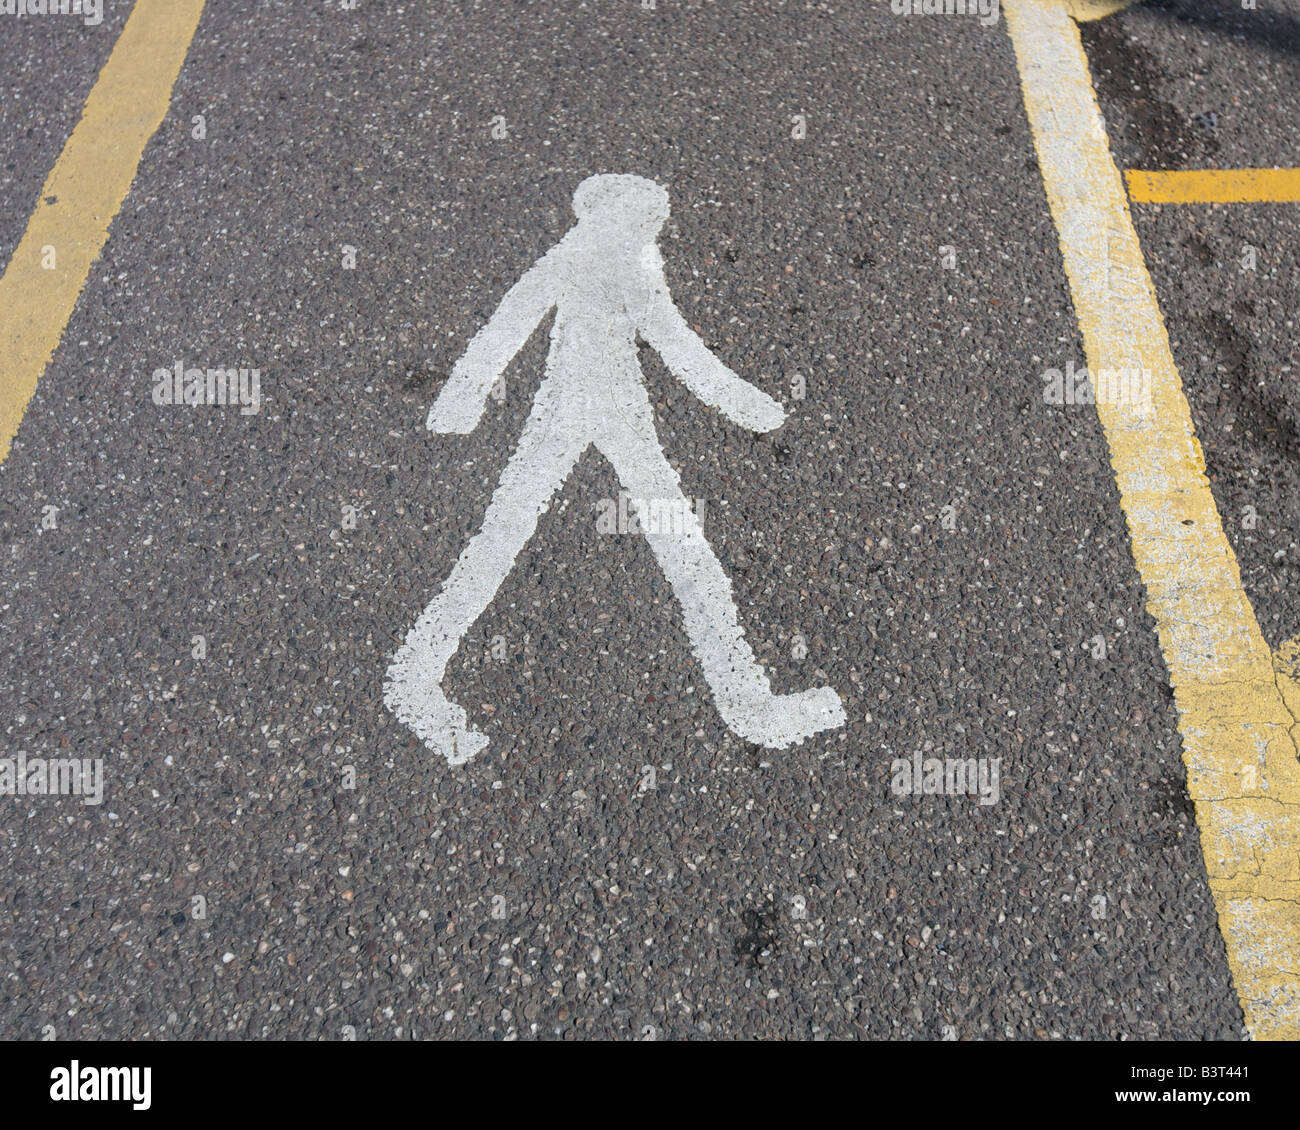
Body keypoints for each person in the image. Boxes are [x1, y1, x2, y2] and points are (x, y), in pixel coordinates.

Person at [386, 174, 845, 764]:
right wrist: (749, 406)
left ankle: (418, 677)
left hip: (600, 415)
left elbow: (510, 323)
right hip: (588, 415)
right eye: (645, 216)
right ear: (621, 217)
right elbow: (674, 344)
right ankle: (746, 699)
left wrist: (463, 401)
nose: (651, 225)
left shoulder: (588, 256)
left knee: (514, 538)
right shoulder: (617, 262)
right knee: (669, 541)